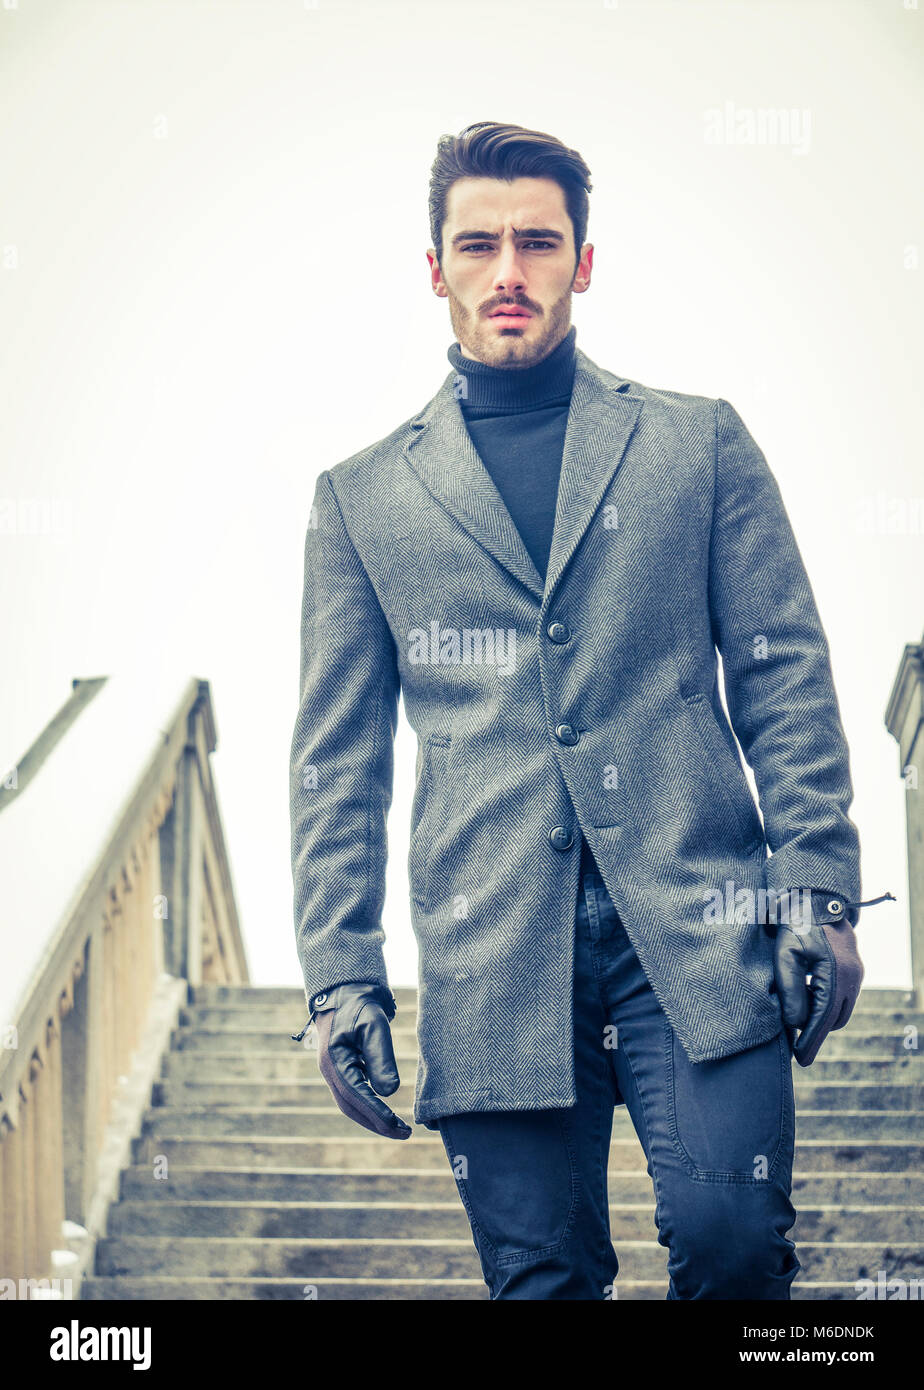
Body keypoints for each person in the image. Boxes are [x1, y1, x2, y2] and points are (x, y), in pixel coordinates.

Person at [289, 121, 892, 1299]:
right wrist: (340, 973)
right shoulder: (358, 500)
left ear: (583, 258)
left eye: (537, 241)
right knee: (544, 1283)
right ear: (435, 269)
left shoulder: (697, 443)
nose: (508, 271)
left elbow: (782, 673)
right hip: (491, 953)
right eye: (478, 245)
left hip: (702, 929)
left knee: (733, 1251)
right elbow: (338, 758)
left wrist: (816, 879)